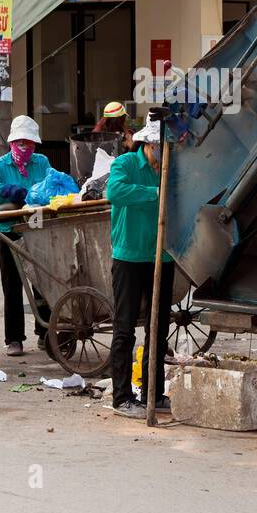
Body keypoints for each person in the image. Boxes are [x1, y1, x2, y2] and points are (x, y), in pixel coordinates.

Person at [106, 120, 172, 418]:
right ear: (147, 145)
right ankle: (121, 398)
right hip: (129, 258)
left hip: (161, 257)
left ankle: (153, 394)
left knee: (158, 328)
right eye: (158, 146)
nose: (161, 152)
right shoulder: (125, 164)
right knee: (125, 328)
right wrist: (154, 193)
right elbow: (115, 192)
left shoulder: (172, 167)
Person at [0, 115, 53, 356]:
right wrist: (10, 192)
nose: (24, 147)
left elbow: (51, 185)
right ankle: (14, 339)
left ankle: (46, 333)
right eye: (20, 142)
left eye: (28, 143)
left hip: (37, 230)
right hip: (9, 233)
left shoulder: (42, 163)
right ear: (12, 143)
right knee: (12, 286)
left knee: (42, 284)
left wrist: (37, 194)